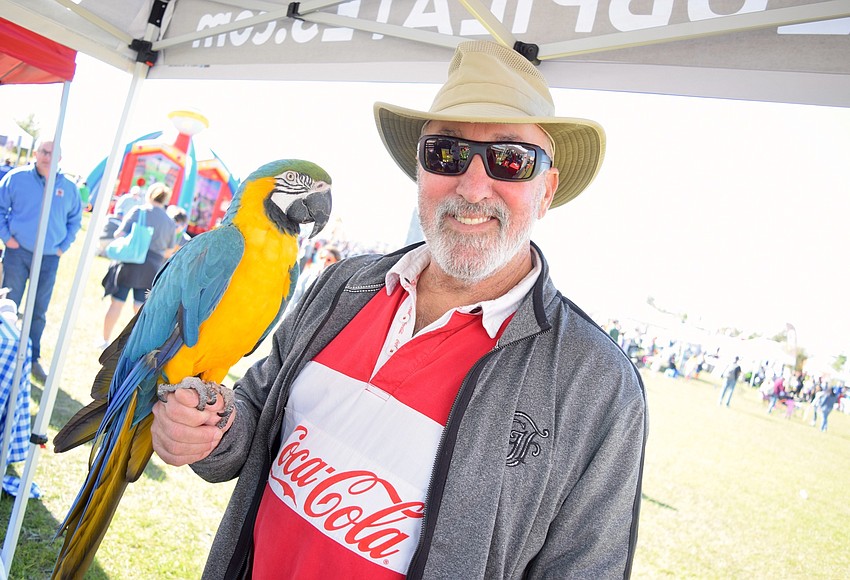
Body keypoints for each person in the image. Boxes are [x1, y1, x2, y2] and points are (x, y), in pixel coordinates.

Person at [151, 41, 647, 579]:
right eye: (446, 153)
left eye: (510, 160)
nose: (473, 187)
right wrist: (208, 428)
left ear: (546, 190)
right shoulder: (341, 287)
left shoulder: (596, 384)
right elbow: (254, 413)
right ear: (420, 170)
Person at [0, 140, 82, 382]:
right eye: (44, 152)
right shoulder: (16, 178)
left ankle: (32, 357)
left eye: (54, 153)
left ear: (60, 159)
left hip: (48, 258)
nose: (48, 157)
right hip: (17, 252)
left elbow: (75, 221)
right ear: (36, 153)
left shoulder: (69, 188)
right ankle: (4, 351)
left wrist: (62, 248)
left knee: (39, 310)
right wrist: (7, 238)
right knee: (8, 304)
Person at [99, 183, 177, 348]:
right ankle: (135, 346)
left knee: (117, 303)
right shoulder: (170, 223)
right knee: (140, 309)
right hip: (151, 268)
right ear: (165, 200)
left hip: (129, 263)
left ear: (149, 194)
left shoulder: (138, 211)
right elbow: (169, 251)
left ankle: (104, 341)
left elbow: (119, 234)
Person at [282, 244, 342, 316]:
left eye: (329, 260)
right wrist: (287, 316)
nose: (324, 262)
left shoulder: (335, 284)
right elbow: (295, 298)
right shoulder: (308, 274)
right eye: (322, 258)